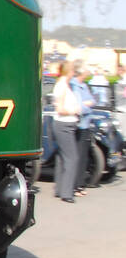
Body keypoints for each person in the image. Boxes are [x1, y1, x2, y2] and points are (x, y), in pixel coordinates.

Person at [50, 60, 82, 203]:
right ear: (69, 71)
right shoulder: (62, 86)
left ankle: (60, 189)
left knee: (62, 158)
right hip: (64, 124)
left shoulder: (62, 85)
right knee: (71, 158)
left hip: (63, 125)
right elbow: (60, 109)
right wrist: (74, 111)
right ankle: (67, 193)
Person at [71, 63, 96, 195]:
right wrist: (88, 105)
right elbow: (79, 107)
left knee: (83, 157)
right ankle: (75, 185)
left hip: (86, 124)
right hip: (78, 125)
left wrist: (87, 104)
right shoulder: (75, 85)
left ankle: (80, 184)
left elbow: (93, 100)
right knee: (77, 157)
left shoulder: (84, 86)